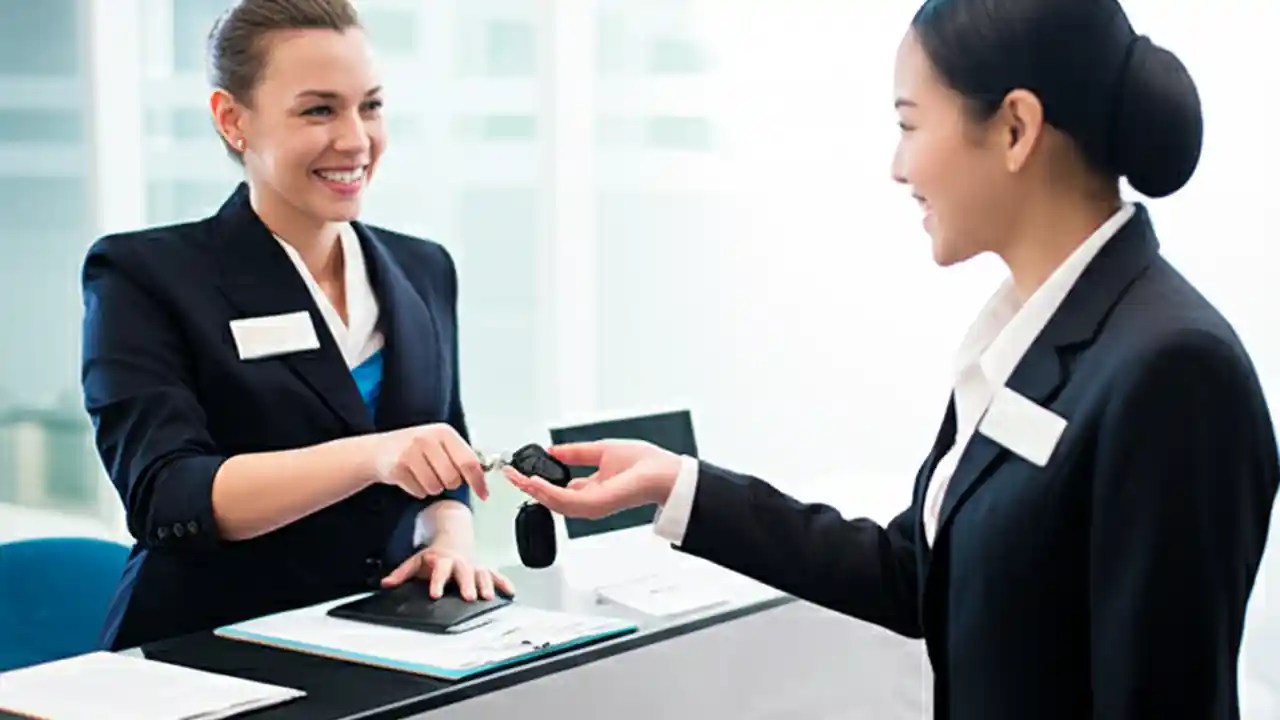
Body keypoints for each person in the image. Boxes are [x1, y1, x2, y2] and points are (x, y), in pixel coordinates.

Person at [506, 1, 1280, 718]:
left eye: (910, 125)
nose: (897, 167)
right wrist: (678, 487)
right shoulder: (1024, 335)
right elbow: (917, 572)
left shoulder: (1175, 372)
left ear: (1015, 128)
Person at [80, 0, 511, 651]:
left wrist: (447, 537)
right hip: (203, 655)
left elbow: (443, 457)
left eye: (370, 105)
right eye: (319, 109)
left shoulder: (423, 270)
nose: (356, 139)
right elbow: (169, 495)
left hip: (388, 645)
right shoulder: (145, 276)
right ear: (233, 121)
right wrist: (372, 456)